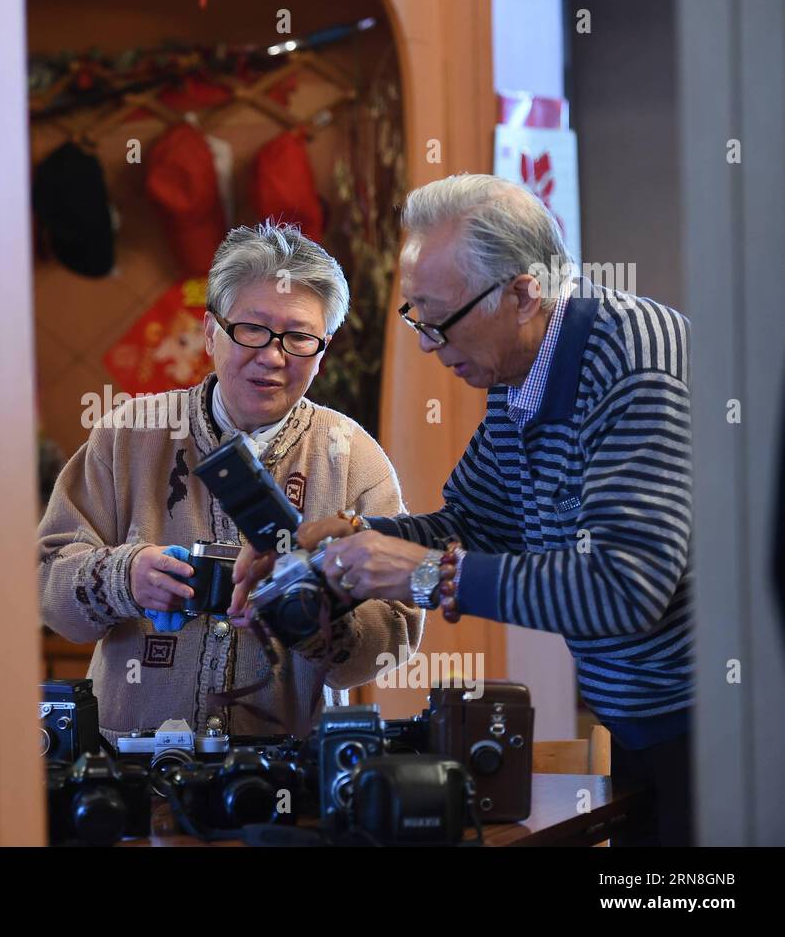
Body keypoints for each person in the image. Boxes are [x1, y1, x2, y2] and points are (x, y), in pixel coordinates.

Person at [231, 175, 693, 845]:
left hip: (725, 728)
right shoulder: (520, 377)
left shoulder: (633, 364)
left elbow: (623, 589)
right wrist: (339, 540)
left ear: (524, 292)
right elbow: (470, 522)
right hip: (640, 721)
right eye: (414, 316)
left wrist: (424, 573)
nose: (426, 342)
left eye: (439, 319)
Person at [38, 221, 423, 744]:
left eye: (299, 337)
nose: (271, 355)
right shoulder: (129, 435)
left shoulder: (353, 455)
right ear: (211, 331)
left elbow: (397, 629)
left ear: (323, 349)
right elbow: (45, 578)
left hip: (290, 768)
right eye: (252, 329)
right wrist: (125, 578)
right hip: (130, 755)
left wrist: (312, 614)